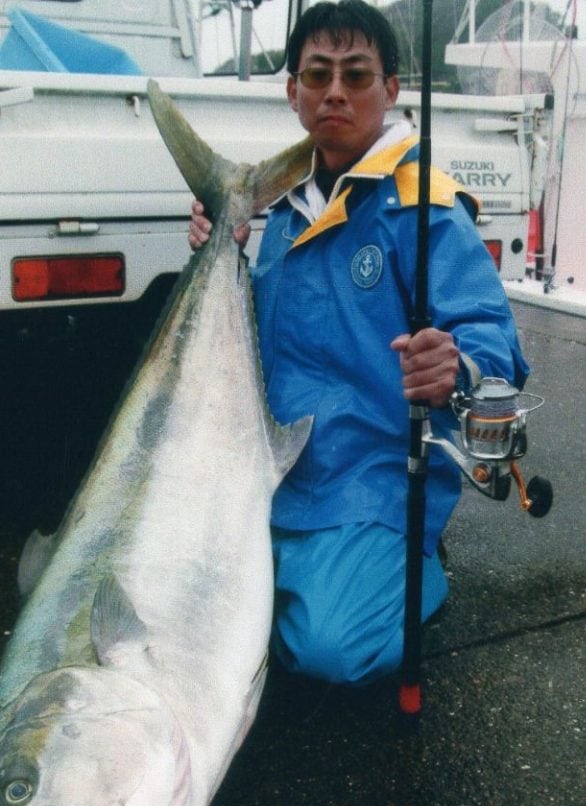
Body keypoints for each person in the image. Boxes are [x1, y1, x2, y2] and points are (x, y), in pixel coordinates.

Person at [189, 0, 529, 686]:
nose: (335, 92)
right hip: (268, 469)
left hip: (372, 478)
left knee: (331, 650)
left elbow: (492, 339)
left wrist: (458, 365)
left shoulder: (427, 207)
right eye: (317, 75)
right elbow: (259, 339)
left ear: (391, 89)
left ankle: (418, 566)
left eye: (356, 75)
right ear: (293, 92)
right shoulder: (283, 208)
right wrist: (224, 254)